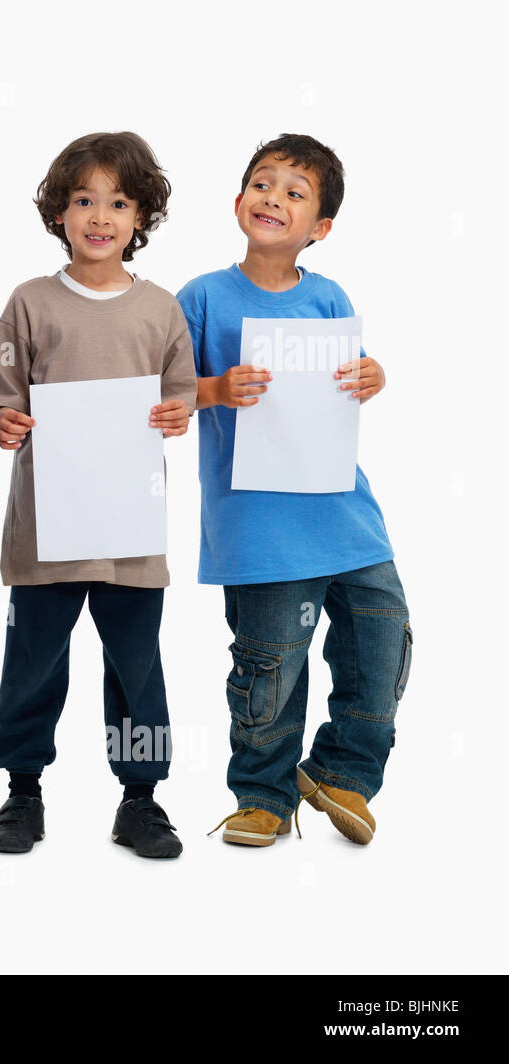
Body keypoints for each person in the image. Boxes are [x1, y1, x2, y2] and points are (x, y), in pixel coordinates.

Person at [177, 134, 412, 847]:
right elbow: (163, 394)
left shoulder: (329, 296)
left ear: (322, 228)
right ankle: (263, 794)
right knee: (271, 663)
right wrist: (214, 388)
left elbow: (348, 373)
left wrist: (373, 374)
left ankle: (342, 772)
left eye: (294, 192)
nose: (273, 198)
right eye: (262, 183)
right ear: (238, 201)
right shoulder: (203, 298)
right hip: (261, 524)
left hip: (344, 512)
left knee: (382, 635)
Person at [0, 132, 195, 859]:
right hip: (45, 531)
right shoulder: (30, 302)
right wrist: (8, 425)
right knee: (32, 662)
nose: (100, 216)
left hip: (130, 532)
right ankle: (22, 790)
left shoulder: (162, 310)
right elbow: (6, 404)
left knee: (138, 667)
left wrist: (177, 413)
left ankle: (141, 799)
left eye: (119, 202)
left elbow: (179, 400)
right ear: (60, 212)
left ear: (141, 218)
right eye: (83, 201)